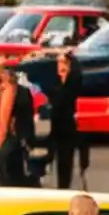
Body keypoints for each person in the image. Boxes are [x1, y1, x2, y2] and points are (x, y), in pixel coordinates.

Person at [0, 63, 34, 187]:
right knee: (17, 175)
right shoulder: (23, 91)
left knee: (7, 177)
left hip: (10, 139)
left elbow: (4, 120)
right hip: (21, 138)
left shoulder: (8, 91)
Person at [46, 52, 84, 189]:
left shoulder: (74, 83)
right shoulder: (54, 83)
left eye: (64, 63)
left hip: (69, 128)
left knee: (66, 161)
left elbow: (68, 100)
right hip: (55, 127)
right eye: (59, 63)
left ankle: (64, 187)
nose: (60, 66)